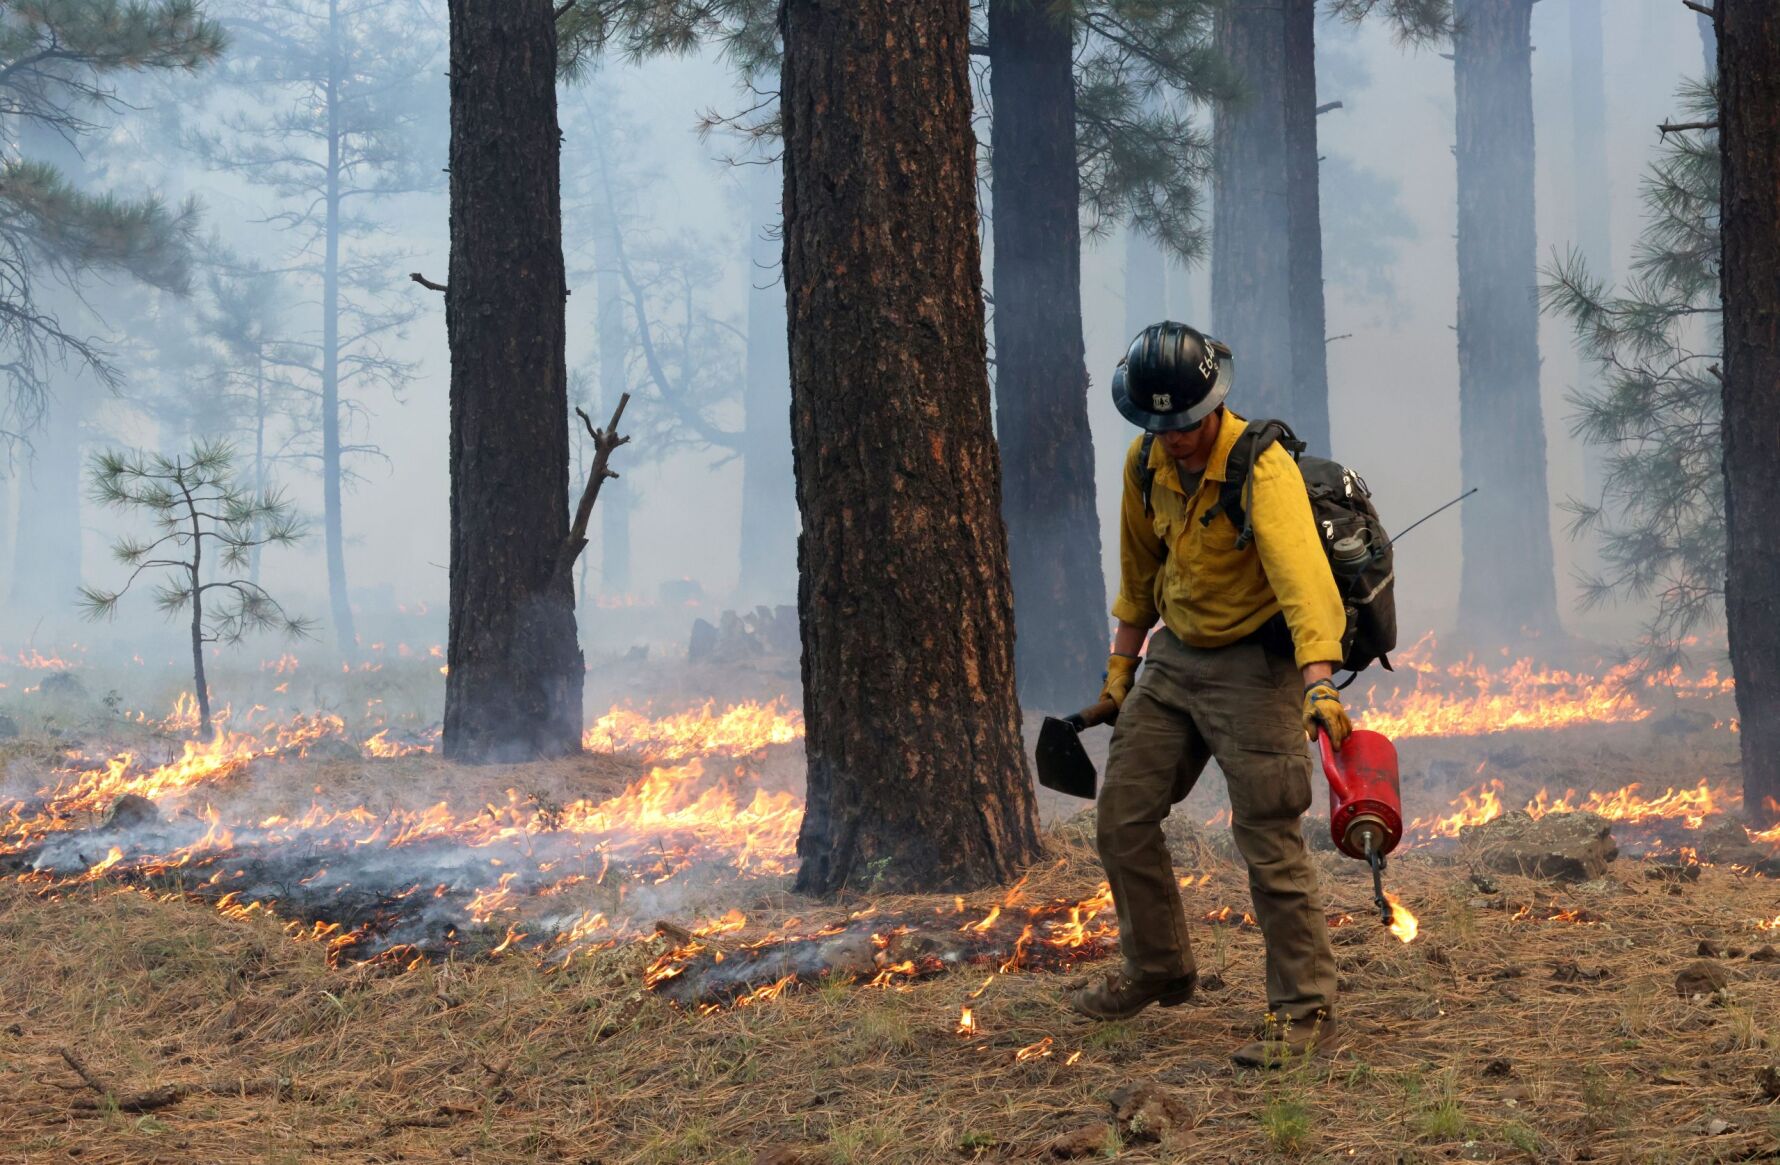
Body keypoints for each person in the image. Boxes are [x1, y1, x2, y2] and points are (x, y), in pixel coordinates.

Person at [1064, 321, 1353, 1068]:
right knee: (1122, 816)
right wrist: (1120, 675)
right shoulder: (1145, 462)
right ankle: (1158, 967)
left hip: (1257, 667)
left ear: (1212, 403)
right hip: (1176, 657)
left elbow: (1304, 582)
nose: (1175, 437)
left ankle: (1304, 1010)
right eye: (1159, 424)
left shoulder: (1261, 466)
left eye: (1187, 422)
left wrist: (1318, 683)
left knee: (1267, 836)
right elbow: (1137, 579)